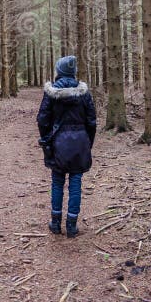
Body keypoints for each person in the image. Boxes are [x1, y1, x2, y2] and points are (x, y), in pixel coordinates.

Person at [36, 55, 97, 237]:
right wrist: (87, 142)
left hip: (58, 143)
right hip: (80, 143)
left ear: (59, 71)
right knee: (76, 182)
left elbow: (42, 119)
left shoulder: (51, 93)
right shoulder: (84, 93)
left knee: (57, 181)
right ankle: (71, 225)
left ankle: (55, 223)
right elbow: (92, 121)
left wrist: (46, 139)